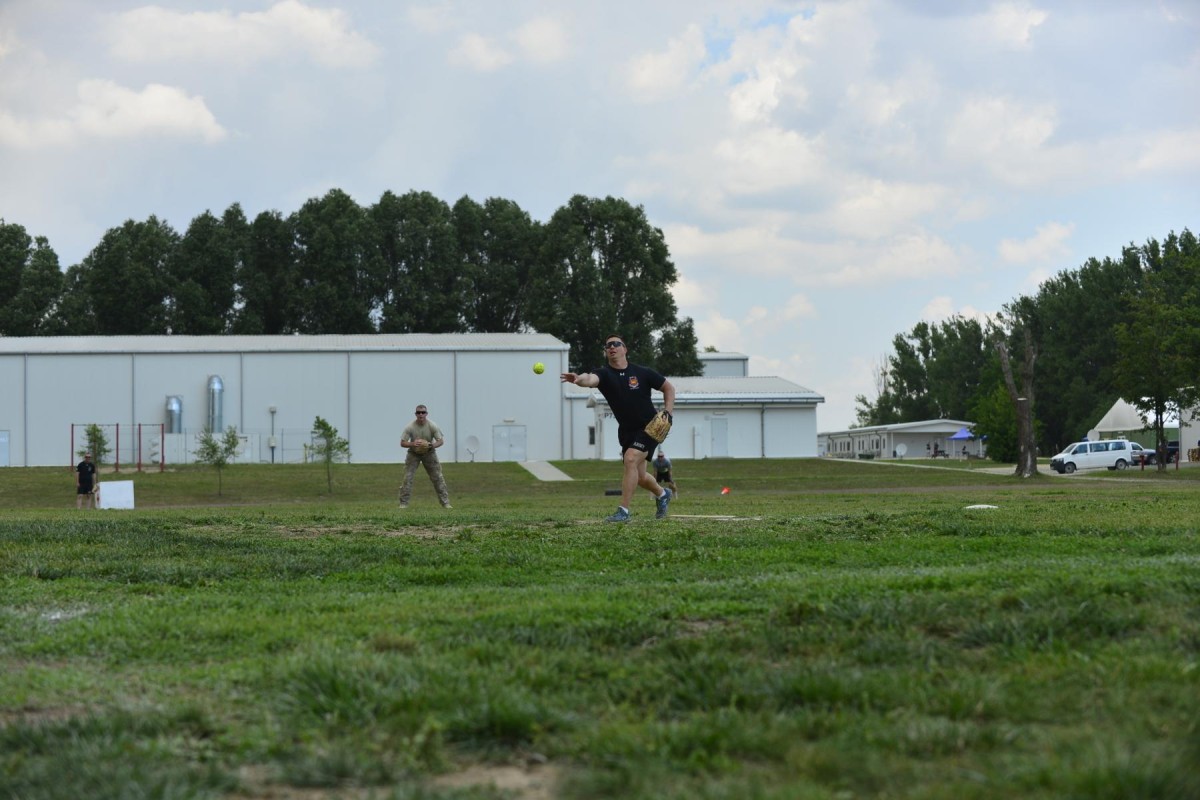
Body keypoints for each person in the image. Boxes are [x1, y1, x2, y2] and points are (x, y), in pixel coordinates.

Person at [561, 335, 676, 522]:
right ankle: (662, 494)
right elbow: (589, 378)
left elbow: (668, 388)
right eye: (608, 346)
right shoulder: (605, 374)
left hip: (649, 428)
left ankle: (623, 512)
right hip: (627, 431)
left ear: (625, 349)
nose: (611, 347)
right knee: (639, 476)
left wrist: (668, 413)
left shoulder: (642, 372)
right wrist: (577, 379)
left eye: (616, 344)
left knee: (630, 459)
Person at [399, 404, 452, 508]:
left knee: (437, 477)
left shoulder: (432, 425)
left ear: (426, 414)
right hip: (413, 453)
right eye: (418, 412)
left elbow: (440, 441)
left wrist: (432, 445)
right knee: (408, 478)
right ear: (415, 414)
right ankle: (403, 504)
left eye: (423, 412)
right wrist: (412, 444)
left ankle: (445, 503)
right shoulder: (410, 427)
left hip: (429, 453)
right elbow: (402, 443)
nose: (421, 414)